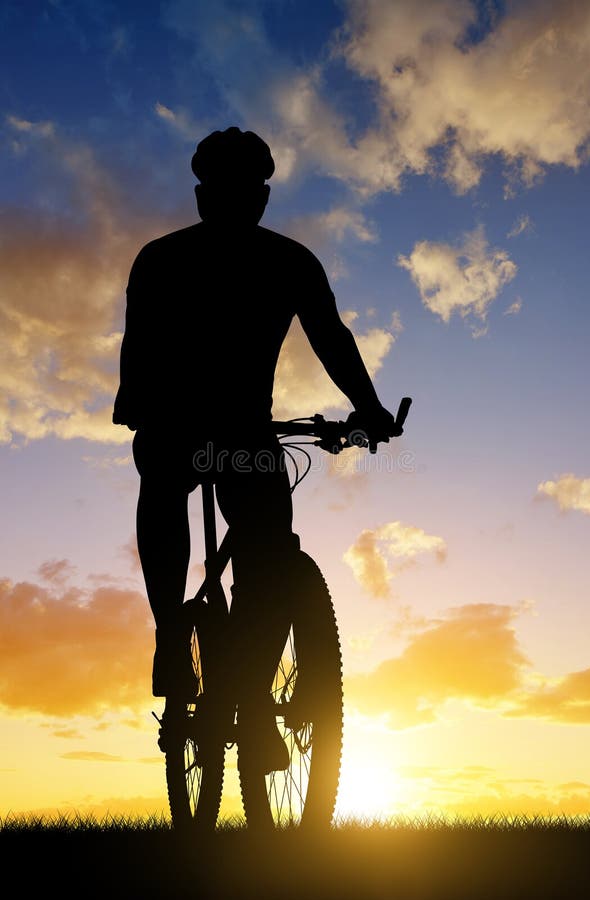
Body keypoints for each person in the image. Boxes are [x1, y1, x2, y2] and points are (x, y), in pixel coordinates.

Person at [113, 126, 395, 770]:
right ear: (206, 195)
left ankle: (232, 679)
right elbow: (143, 345)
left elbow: (331, 338)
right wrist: (370, 410)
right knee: (193, 501)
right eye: (229, 189)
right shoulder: (261, 259)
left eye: (246, 190)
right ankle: (170, 632)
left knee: (264, 555)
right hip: (213, 431)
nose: (240, 201)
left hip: (224, 433)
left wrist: (370, 407)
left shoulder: (174, 256)